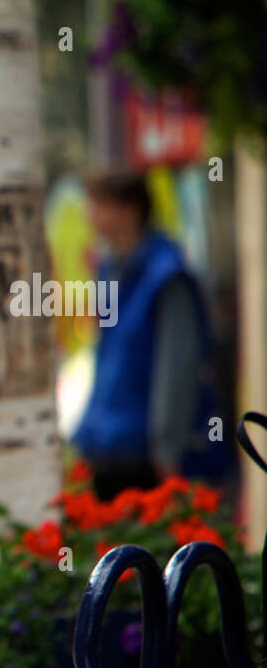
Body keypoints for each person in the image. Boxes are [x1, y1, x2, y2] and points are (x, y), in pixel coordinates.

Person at [75, 171, 230, 500]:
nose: (91, 216)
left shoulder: (167, 275)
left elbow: (178, 365)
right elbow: (107, 360)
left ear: (129, 210)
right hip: (110, 446)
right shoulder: (109, 269)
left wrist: (167, 449)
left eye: (99, 206)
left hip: (147, 454)